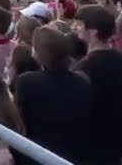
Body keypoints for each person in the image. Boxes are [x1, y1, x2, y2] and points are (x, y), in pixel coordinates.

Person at [12, 26, 94, 164]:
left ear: (38, 53)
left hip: (39, 154)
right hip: (75, 153)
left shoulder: (26, 82)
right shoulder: (81, 80)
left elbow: (20, 120)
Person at [74, 4, 122, 165]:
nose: (75, 27)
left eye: (80, 24)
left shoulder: (84, 68)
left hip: (94, 138)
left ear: (93, 31)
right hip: (119, 135)